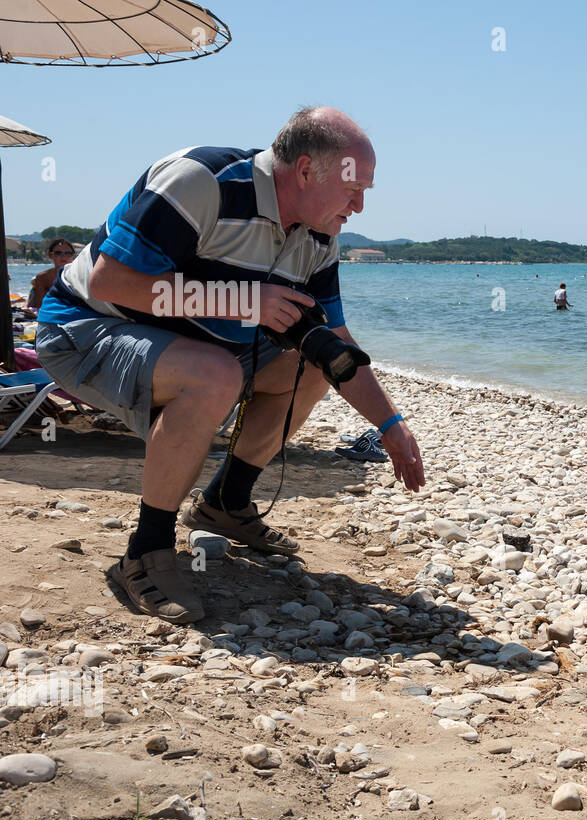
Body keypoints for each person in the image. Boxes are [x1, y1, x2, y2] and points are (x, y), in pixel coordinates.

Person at [35, 106, 425, 624]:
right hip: (86, 330)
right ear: (306, 170)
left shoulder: (320, 236)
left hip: (193, 344)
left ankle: (225, 503)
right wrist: (243, 301)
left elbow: (336, 342)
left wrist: (391, 426)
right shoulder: (201, 182)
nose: (359, 206)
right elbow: (112, 284)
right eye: (355, 188)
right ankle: (148, 549)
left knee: (315, 363)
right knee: (216, 372)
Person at [25, 238, 76, 314]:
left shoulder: (80, 275)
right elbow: (41, 306)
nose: (63, 256)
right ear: (50, 255)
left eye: (68, 253)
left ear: (73, 256)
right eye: (58, 253)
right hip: (52, 313)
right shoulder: (43, 277)